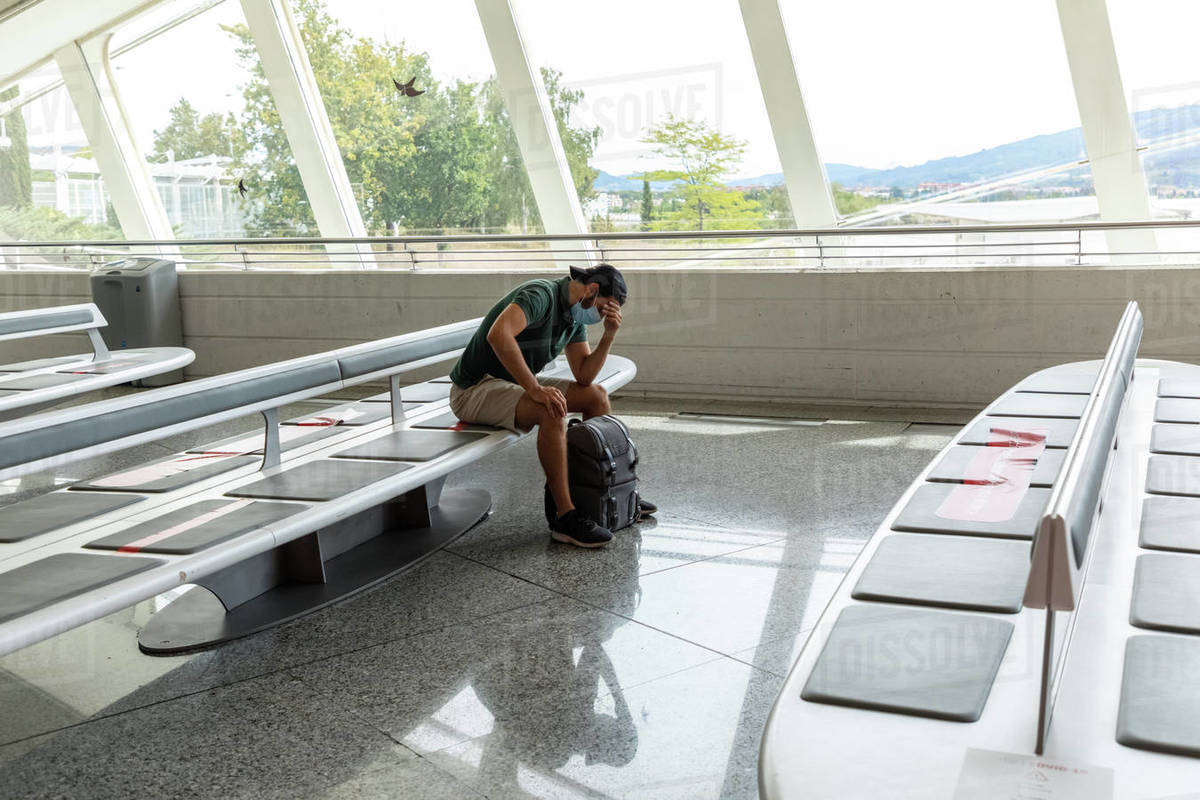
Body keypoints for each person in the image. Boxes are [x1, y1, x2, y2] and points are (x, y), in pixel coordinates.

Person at [449, 264, 656, 548]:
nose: (600, 316)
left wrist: (609, 334)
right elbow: (499, 335)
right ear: (592, 290)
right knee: (552, 409)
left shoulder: (573, 317)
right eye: (603, 309)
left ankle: (606, 489)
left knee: (595, 396)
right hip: (474, 389)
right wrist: (535, 389)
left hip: (511, 385)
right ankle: (564, 516)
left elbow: (584, 374)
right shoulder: (540, 295)